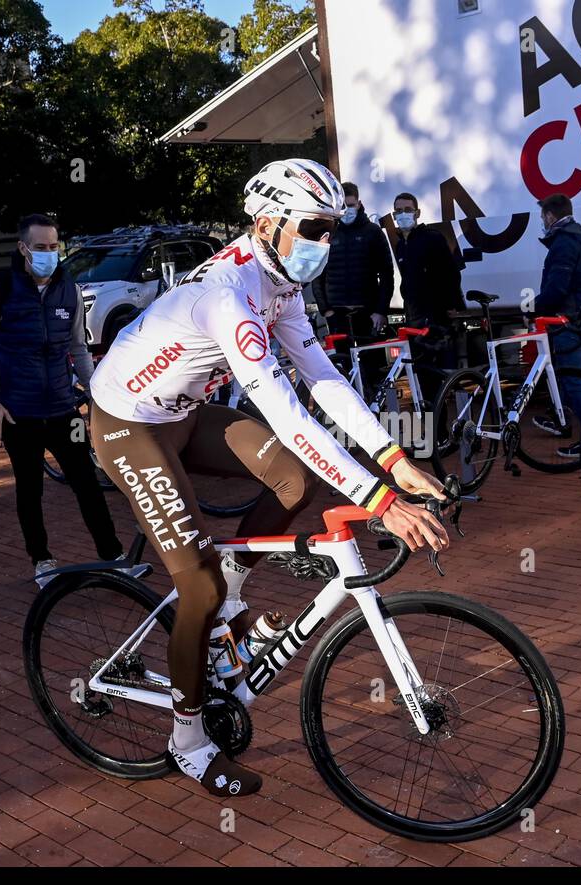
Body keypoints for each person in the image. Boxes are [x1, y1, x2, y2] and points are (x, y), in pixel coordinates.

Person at [89, 159, 449, 798]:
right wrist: (377, 499)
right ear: (267, 223)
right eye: (315, 227)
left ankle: (228, 594)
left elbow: (325, 381)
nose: (327, 243)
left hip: (183, 413)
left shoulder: (280, 284)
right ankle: (189, 740)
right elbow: (284, 411)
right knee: (194, 584)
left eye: (334, 229)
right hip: (129, 425)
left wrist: (392, 460)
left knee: (291, 478)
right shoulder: (228, 295)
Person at [0, 213, 131, 587]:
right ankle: (41, 559)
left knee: (86, 482)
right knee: (30, 488)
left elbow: (78, 347)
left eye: (53, 247)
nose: (48, 254)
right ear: (22, 248)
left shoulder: (69, 290)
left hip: (63, 408)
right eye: (40, 247)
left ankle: (113, 555)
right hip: (17, 413)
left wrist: (95, 395)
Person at [532, 193, 581, 457]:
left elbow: (557, 288)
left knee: (574, 381)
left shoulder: (563, 243)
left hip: (569, 320)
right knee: (572, 377)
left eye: (543, 218)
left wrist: (534, 307)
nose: (543, 222)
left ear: (550, 216)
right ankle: (566, 421)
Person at [310, 182, 394, 380]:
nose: (348, 210)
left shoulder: (373, 232)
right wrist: (327, 310)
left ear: (359, 203)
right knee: (343, 370)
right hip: (337, 315)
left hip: (368, 314)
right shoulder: (328, 233)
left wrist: (381, 311)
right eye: (344, 206)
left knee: (374, 370)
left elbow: (387, 274)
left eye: (352, 205)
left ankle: (377, 410)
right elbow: (317, 275)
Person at [392, 192, 465, 376]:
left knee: (443, 372)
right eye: (399, 211)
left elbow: (450, 274)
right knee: (421, 371)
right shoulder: (401, 245)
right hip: (413, 318)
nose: (403, 214)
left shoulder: (433, 239)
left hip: (436, 318)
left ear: (417, 213)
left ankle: (445, 405)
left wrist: (454, 305)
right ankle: (427, 405)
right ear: (394, 215)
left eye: (408, 209)